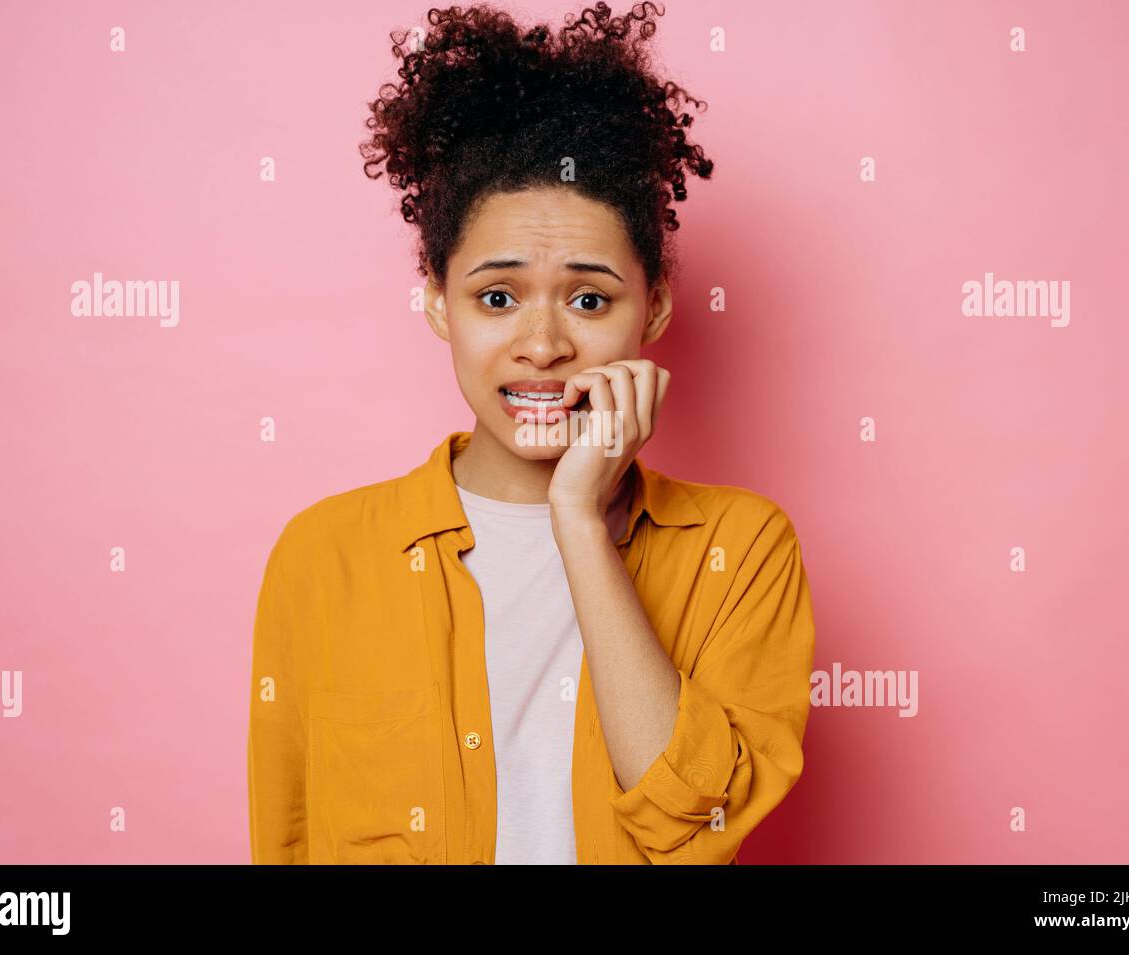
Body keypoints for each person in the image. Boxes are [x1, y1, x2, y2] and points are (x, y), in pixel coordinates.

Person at [248, 0, 816, 865]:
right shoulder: (323, 556)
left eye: (589, 299)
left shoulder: (741, 550)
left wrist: (580, 520)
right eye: (498, 297)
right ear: (439, 301)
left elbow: (691, 831)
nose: (544, 346)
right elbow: (286, 843)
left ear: (654, 305)